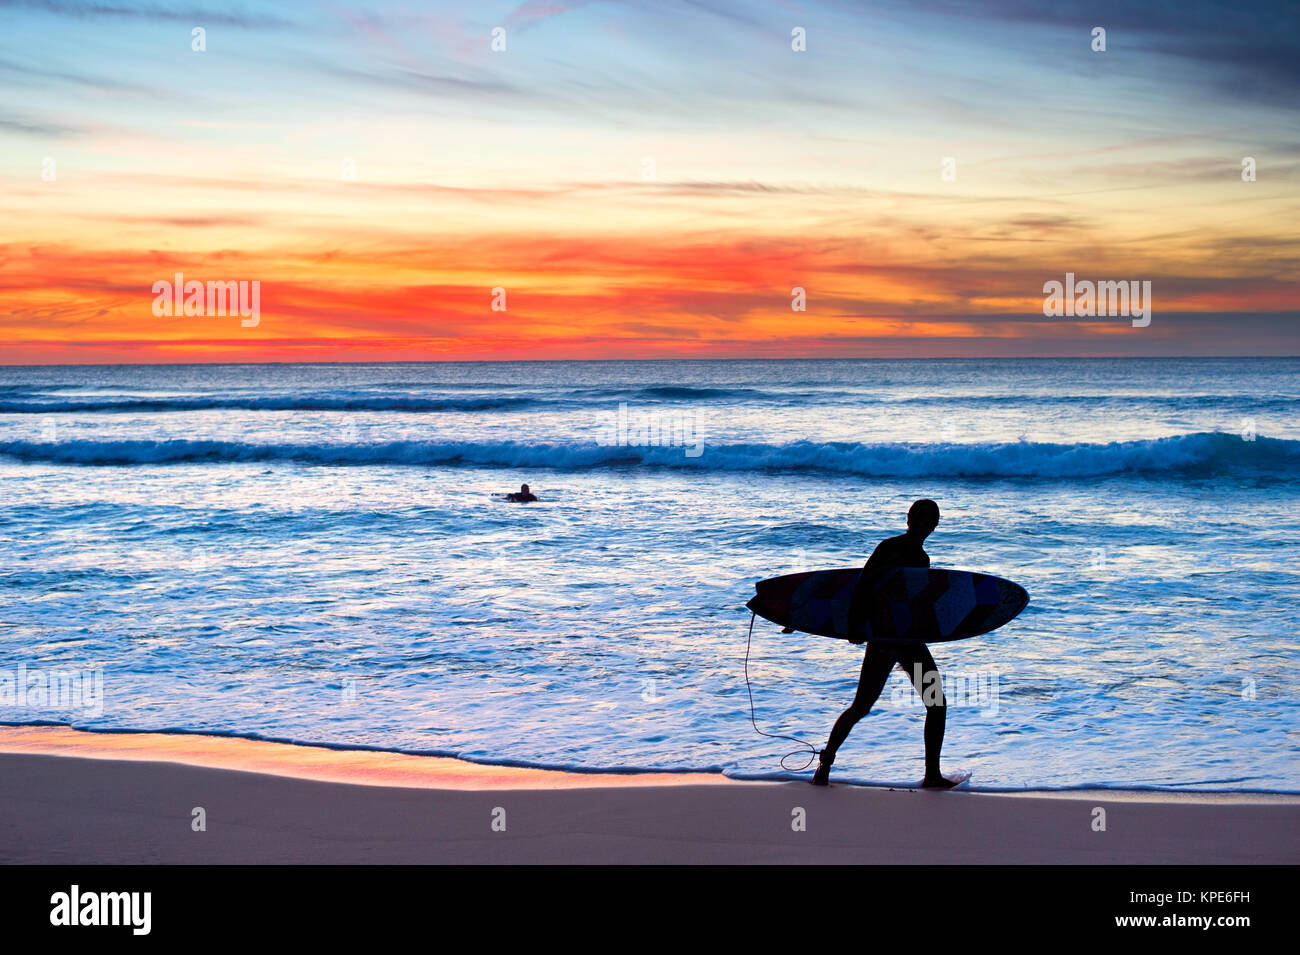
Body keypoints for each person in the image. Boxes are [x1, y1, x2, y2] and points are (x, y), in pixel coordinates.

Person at [811, 498, 960, 788]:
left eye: (930, 520)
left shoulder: (905, 552)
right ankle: (930, 776)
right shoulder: (903, 552)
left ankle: (824, 767)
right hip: (896, 639)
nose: (928, 525)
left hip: (889, 637)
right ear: (915, 521)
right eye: (927, 519)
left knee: (863, 706)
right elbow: (867, 586)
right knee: (935, 704)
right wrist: (856, 625)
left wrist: (857, 626)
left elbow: (878, 591)